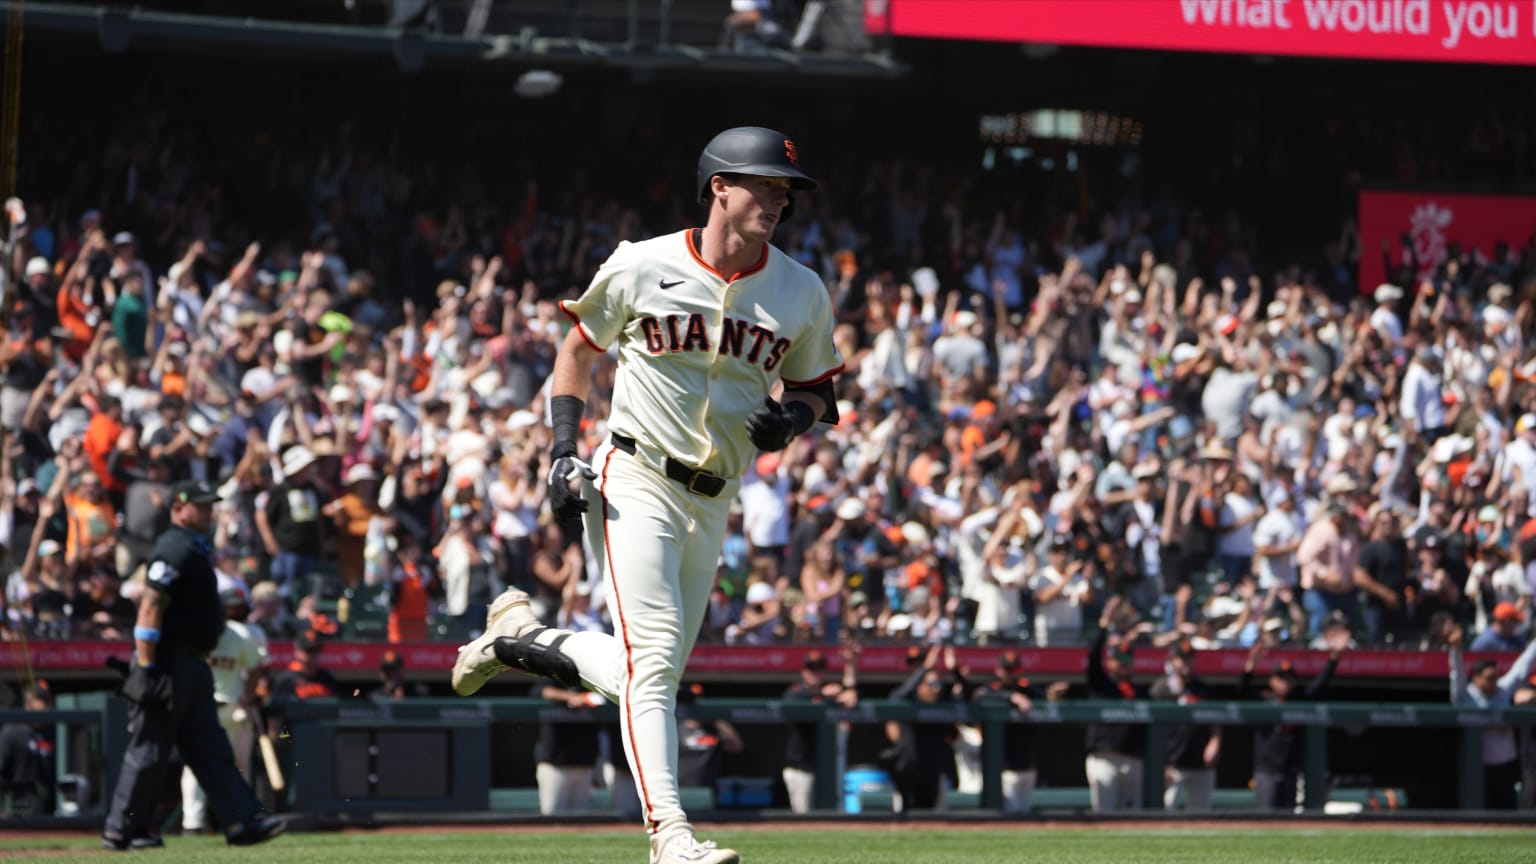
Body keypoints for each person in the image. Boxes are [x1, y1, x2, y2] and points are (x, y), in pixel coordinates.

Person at [451, 126, 839, 864]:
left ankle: (519, 640)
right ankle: (670, 836)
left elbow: (821, 390)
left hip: (717, 493)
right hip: (635, 476)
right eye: (764, 183)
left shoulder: (801, 289)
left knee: (643, 672)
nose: (779, 199)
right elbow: (576, 351)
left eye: (786, 189)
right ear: (718, 186)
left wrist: (793, 417)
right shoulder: (642, 263)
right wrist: (563, 451)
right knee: (655, 659)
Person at [102, 480, 284, 851]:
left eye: (210, 505)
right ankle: (124, 829)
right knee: (150, 747)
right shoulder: (174, 546)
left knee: (209, 746)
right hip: (168, 662)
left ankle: (241, 820)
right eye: (201, 505)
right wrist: (148, 667)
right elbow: (151, 605)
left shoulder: (195, 548)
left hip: (193, 664)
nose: (209, 511)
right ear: (179, 507)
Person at [180, 582, 269, 836]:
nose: (232, 612)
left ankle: (236, 818)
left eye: (237, 607)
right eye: (229, 607)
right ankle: (194, 823)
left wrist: (247, 698)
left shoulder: (240, 634)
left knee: (229, 765)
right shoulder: (198, 631)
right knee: (199, 765)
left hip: (228, 707)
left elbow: (254, 669)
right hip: (200, 707)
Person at [1237, 630, 1347, 811]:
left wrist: (1334, 658)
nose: (1285, 683)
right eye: (1281, 678)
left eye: (1289, 679)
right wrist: (1251, 664)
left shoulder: (1299, 699)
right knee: (1266, 816)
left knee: (1288, 818)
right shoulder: (1265, 700)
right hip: (1267, 770)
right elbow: (1241, 691)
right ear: (1272, 680)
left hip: (1290, 770)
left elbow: (1318, 686)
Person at [1448, 625, 1536, 809]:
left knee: (1507, 809)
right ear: (1477, 678)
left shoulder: (1502, 690)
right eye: (1489, 677)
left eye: (1496, 676)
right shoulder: (1468, 696)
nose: (1494, 681)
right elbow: (1457, 677)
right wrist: (1455, 648)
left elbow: (1523, 665)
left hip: (1506, 764)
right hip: (1476, 765)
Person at [1082, 599, 1148, 812]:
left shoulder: (1140, 690)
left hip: (1133, 758)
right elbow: (1092, 658)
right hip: (1105, 757)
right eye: (1119, 659)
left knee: (1133, 818)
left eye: (1127, 659)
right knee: (1104, 814)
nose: (1123, 663)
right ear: (1110, 661)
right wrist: (1103, 625)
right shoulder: (1103, 684)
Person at [780, 646, 859, 813]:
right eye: (811, 669)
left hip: (826, 766)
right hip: (800, 766)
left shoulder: (830, 693)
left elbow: (848, 692)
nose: (815, 673)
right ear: (803, 671)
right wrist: (822, 692)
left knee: (832, 814)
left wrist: (850, 664)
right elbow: (789, 699)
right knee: (803, 815)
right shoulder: (797, 691)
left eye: (819, 669)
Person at [1148, 640, 1221, 811]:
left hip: (1200, 764)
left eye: (1190, 658)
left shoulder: (1203, 688)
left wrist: (1215, 741)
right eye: (1182, 658)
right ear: (1172, 661)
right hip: (1174, 765)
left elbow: (1216, 721)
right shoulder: (1161, 689)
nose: (1187, 662)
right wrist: (1160, 763)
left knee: (1202, 816)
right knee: (1166, 813)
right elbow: (1152, 732)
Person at [0, 682, 56, 816]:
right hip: (16, 806)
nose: (46, 706)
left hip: (48, 808)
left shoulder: (55, 731)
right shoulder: (12, 732)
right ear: (29, 704)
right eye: (41, 701)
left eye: (47, 701)